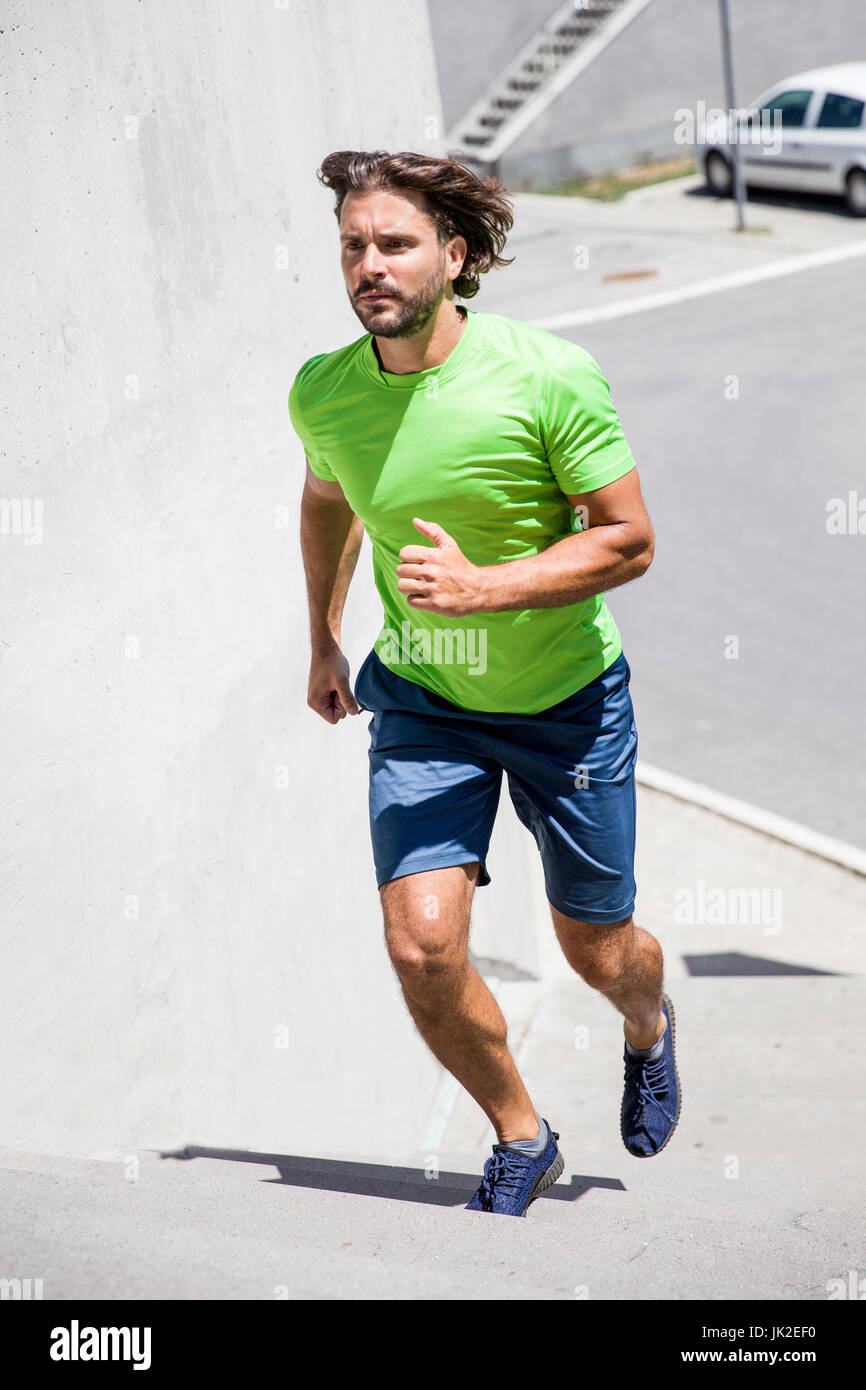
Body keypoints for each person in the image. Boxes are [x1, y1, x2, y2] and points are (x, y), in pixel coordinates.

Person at [289, 149, 680, 1217]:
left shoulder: (546, 375)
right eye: (352, 246)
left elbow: (628, 540)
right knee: (420, 947)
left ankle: (647, 1027)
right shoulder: (323, 391)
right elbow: (328, 499)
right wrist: (323, 637)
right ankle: (522, 1134)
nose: (369, 265)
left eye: (395, 243)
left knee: (599, 953)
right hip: (423, 703)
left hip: (566, 705)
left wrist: (487, 588)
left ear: (453, 256)